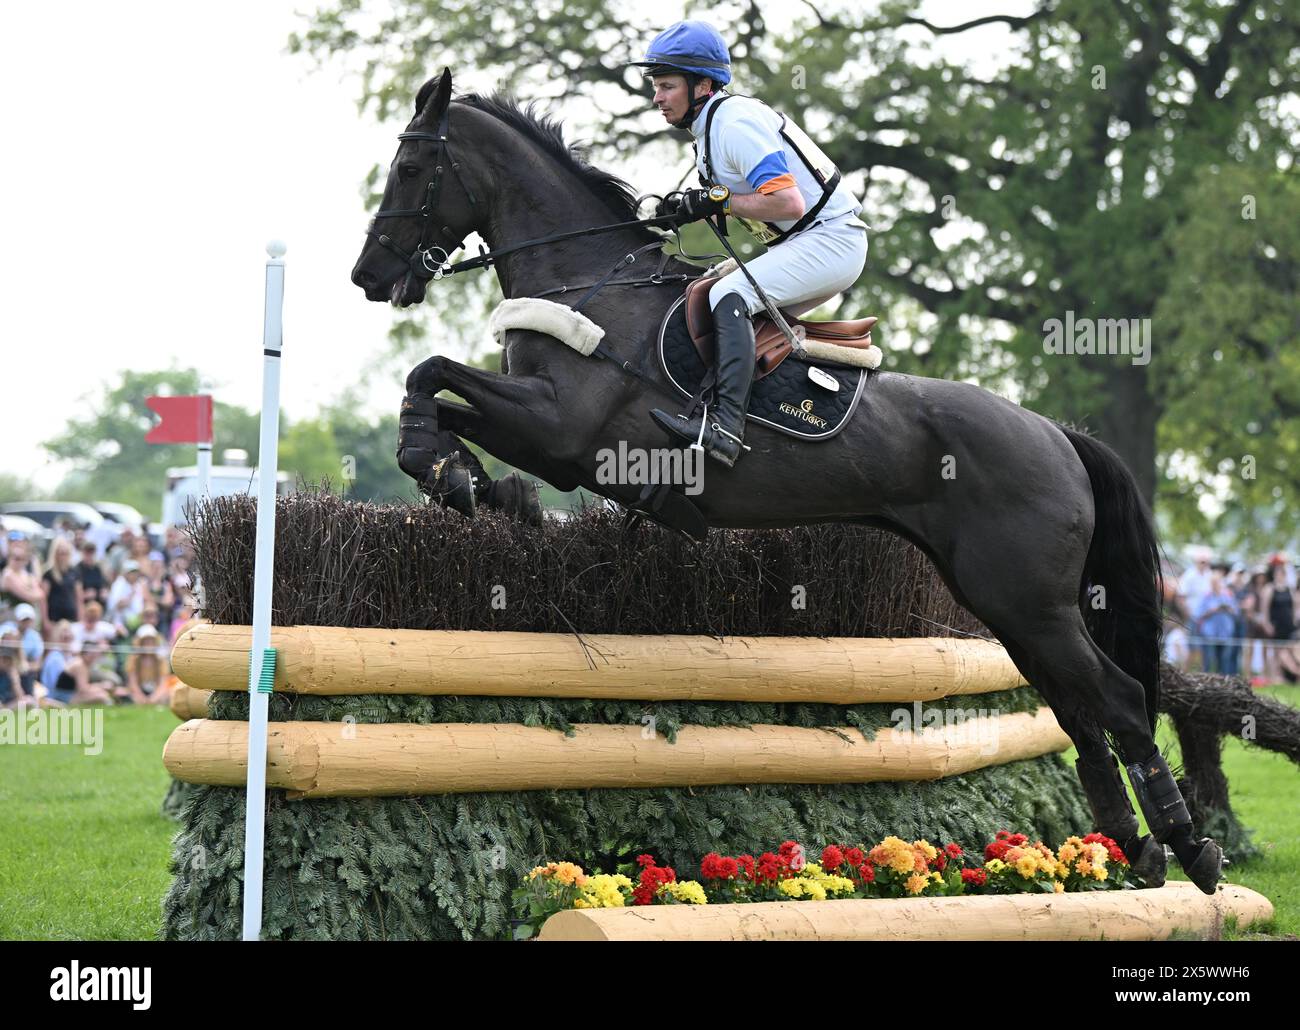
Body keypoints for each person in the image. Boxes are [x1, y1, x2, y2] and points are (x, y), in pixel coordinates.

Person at [629, 19, 869, 467]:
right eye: (657, 87)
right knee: (706, 292)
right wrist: (692, 205)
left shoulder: (733, 123)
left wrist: (717, 199)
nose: (656, 99)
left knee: (728, 294)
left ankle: (724, 431)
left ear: (702, 85)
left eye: (665, 86)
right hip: (811, 243)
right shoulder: (710, 129)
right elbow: (744, 202)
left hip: (830, 241)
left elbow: (787, 202)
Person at [1194, 571, 1240, 675]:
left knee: (1224, 660)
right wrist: (1213, 610)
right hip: (1209, 634)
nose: (1216, 584)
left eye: (1218, 582)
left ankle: (1223, 682)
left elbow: (1236, 612)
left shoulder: (1228, 596)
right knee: (1208, 661)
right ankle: (1207, 681)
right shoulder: (1206, 596)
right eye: (1214, 582)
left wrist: (1228, 608)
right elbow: (1198, 614)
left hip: (1226, 634)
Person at [124, 624, 173, 705]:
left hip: (156, 692)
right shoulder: (134, 660)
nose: (148, 643)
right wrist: (141, 697)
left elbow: (163, 683)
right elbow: (133, 683)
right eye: (146, 641)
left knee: (167, 695)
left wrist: (153, 698)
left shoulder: (161, 660)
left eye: (151, 641)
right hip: (139, 692)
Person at [43, 537, 82, 626]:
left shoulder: (74, 572)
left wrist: (80, 618)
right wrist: (45, 621)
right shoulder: (49, 573)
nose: (63, 556)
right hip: (54, 617)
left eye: (66, 553)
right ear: (55, 554)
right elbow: (43, 598)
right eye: (61, 553)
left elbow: (79, 597)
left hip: (71, 616)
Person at [73, 541, 109, 606]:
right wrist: (84, 595)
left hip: (98, 604)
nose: (89, 555)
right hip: (83, 605)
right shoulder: (76, 570)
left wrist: (104, 591)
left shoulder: (98, 568)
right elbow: (71, 592)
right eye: (87, 552)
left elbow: (104, 584)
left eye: (91, 553)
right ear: (82, 553)